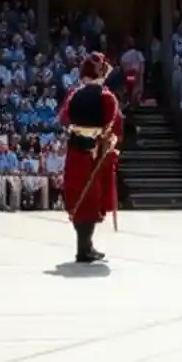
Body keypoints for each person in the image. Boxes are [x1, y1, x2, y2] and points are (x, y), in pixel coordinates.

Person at [59, 52, 122, 263]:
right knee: (90, 199)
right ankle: (84, 248)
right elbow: (113, 125)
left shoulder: (73, 94)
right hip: (94, 153)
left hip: (76, 152)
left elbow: (64, 118)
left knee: (79, 197)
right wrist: (109, 140)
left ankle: (85, 246)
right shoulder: (107, 97)